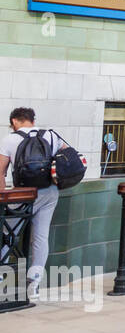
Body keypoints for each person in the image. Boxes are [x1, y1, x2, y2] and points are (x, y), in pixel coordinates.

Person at [0, 107, 64, 297]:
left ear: (14, 121)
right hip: (50, 191)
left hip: (22, 194)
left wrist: (3, 194)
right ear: (33, 120)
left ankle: (1, 275)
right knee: (40, 237)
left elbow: (0, 171)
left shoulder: (10, 139)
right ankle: (33, 284)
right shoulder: (51, 135)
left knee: (8, 233)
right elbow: (67, 157)